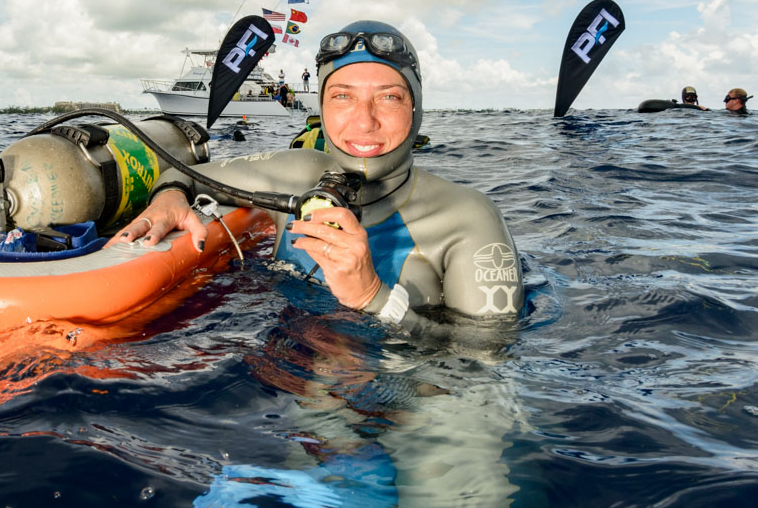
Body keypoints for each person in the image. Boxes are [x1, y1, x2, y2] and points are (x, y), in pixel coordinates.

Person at [109, 20, 524, 337]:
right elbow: (183, 174)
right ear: (322, 106)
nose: (364, 121)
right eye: (342, 95)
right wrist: (168, 197)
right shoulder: (298, 172)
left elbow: (485, 361)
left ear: (415, 108)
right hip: (293, 403)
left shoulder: (466, 219)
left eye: (389, 97)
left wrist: (371, 296)